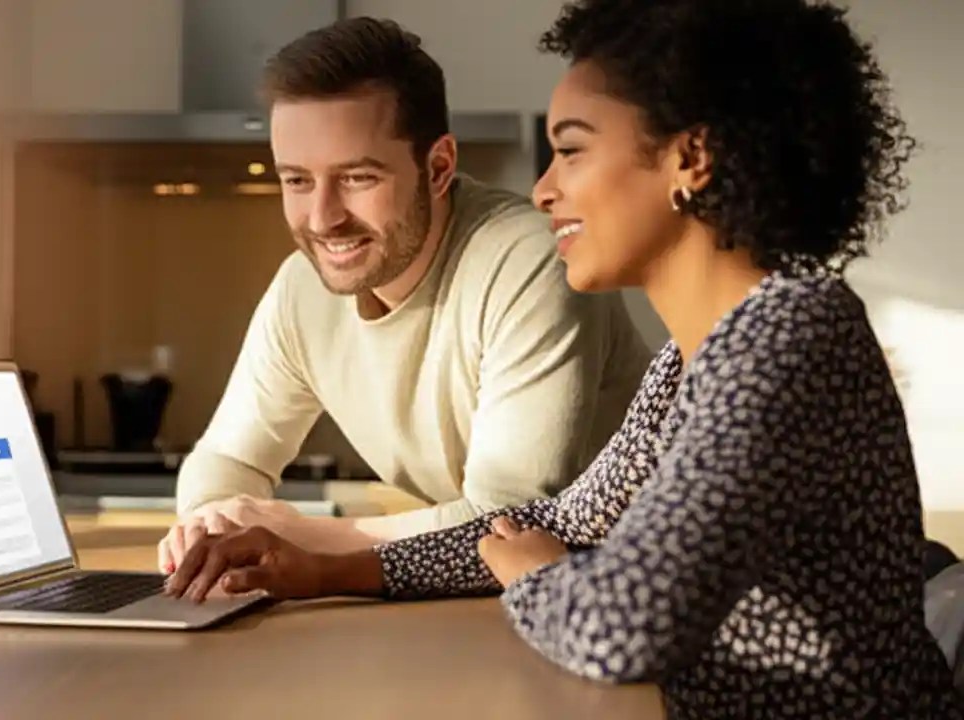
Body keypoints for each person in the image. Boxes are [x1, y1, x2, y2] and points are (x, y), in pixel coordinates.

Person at [165, 1, 964, 717]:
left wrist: (536, 573)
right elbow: (555, 521)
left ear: (692, 159)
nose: (543, 190)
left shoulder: (789, 338)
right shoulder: (690, 364)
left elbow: (627, 626)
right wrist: (321, 572)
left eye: (571, 152)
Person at [159, 18, 652, 571]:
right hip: (480, 590)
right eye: (297, 180)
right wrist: (207, 524)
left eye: (357, 178)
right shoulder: (303, 289)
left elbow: (512, 518)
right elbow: (227, 457)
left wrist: (302, 535)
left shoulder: (526, 260)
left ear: (438, 167)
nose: (323, 219)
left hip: (620, 585)